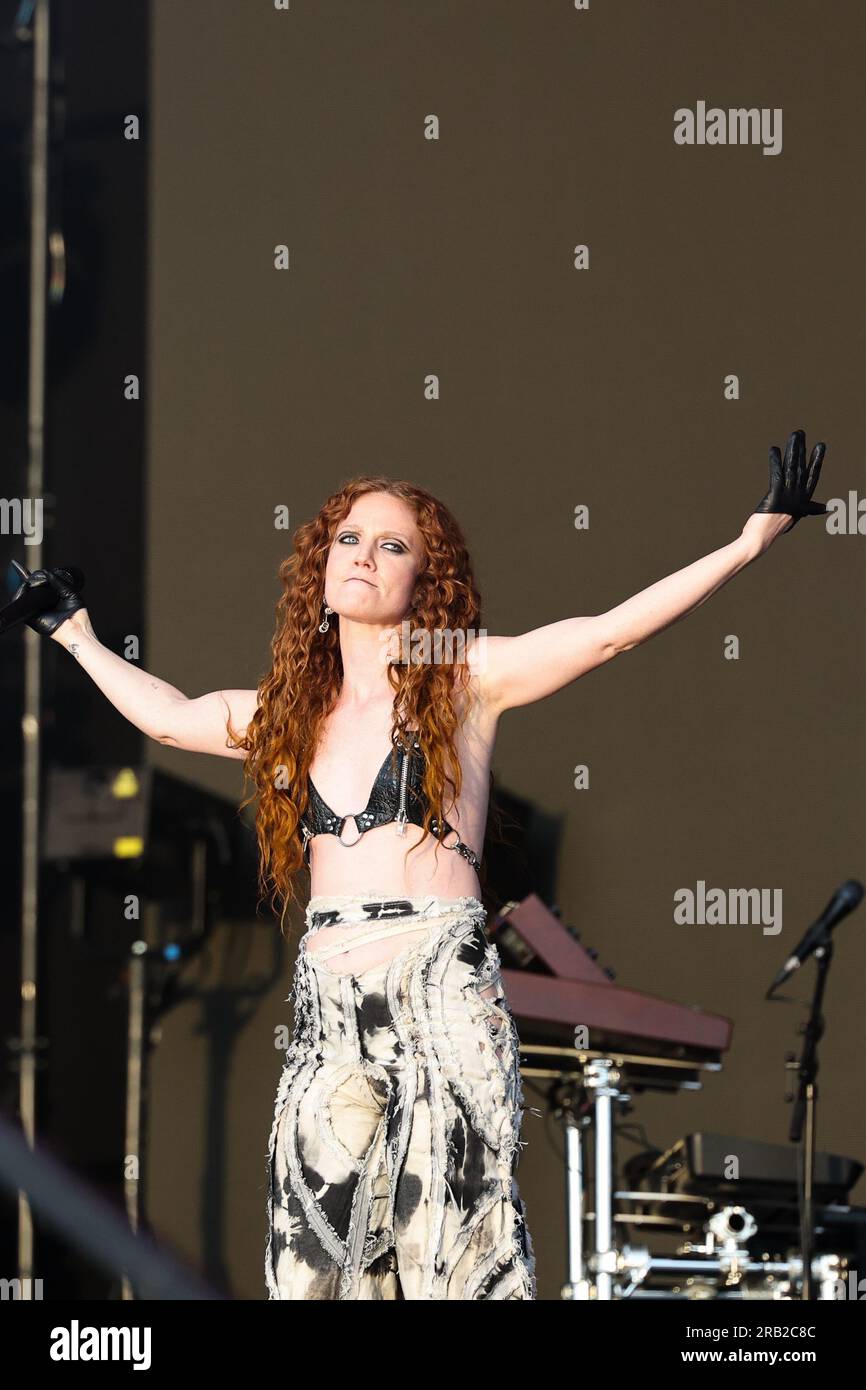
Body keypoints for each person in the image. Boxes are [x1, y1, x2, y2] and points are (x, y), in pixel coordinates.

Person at [7, 428, 827, 1300]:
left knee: (455, 1252)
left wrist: (747, 544)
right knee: (314, 1264)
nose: (363, 555)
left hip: (437, 986)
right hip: (329, 1004)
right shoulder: (290, 715)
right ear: (321, 571)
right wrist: (74, 636)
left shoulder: (463, 679)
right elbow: (171, 717)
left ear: (421, 582)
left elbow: (606, 636)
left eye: (391, 544)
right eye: (348, 539)